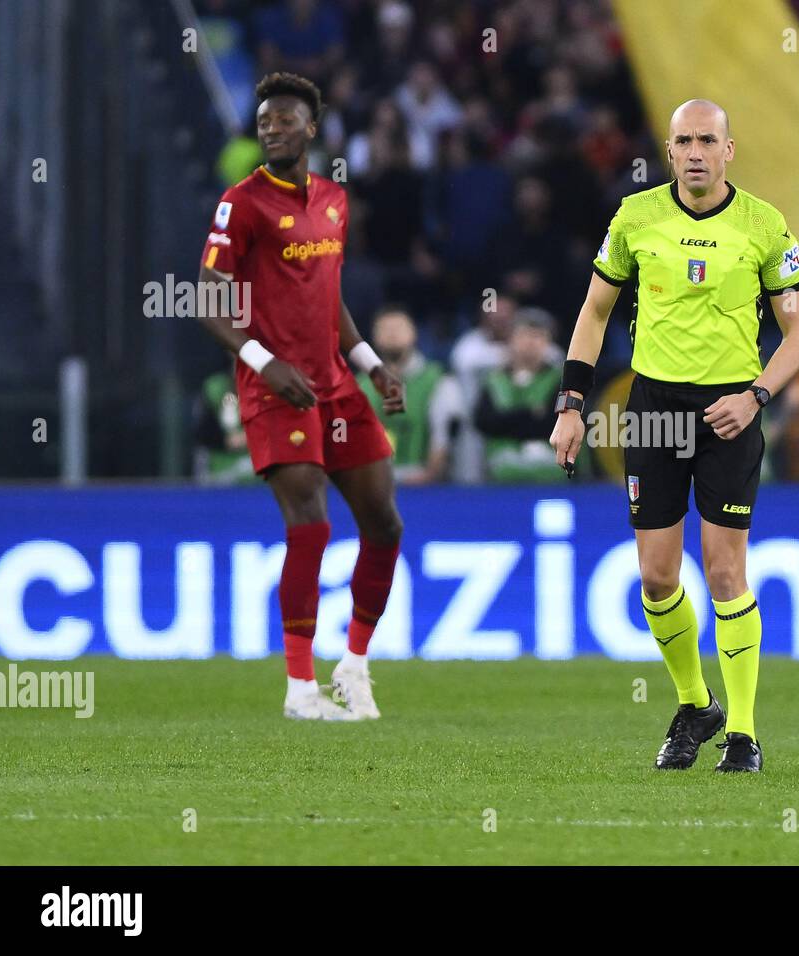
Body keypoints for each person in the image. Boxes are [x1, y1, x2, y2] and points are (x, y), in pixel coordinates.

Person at [550, 99, 799, 773]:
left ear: (730, 150)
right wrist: (571, 402)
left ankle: (746, 734)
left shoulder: (764, 224)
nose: (695, 152)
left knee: (726, 570)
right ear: (668, 152)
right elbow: (595, 310)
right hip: (654, 407)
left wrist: (755, 398)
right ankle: (696, 705)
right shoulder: (636, 218)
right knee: (656, 575)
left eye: (707, 140)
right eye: (683, 141)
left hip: (730, 411)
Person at [196, 72, 404, 721]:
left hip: (336, 384)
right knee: (310, 521)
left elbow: (326, 293)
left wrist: (369, 362)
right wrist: (265, 361)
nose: (272, 129)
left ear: (311, 128)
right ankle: (299, 689)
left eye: (285, 120)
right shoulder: (242, 203)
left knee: (384, 524)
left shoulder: (335, 201)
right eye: (264, 122)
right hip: (275, 386)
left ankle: (355, 666)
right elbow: (208, 298)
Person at [358, 305, 464, 484]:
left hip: (422, 482)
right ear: (374, 337)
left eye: (399, 328)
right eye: (384, 329)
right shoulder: (360, 384)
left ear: (414, 333)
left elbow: (443, 435)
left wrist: (430, 475)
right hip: (371, 482)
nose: (392, 334)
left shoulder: (439, 380)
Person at [475, 308, 564, 482]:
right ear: (511, 339)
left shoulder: (561, 381)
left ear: (548, 343)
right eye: (525, 336)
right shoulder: (493, 380)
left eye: (538, 336)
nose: (531, 343)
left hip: (549, 462)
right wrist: (531, 413)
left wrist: (508, 418)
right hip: (501, 462)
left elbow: (553, 423)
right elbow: (484, 422)